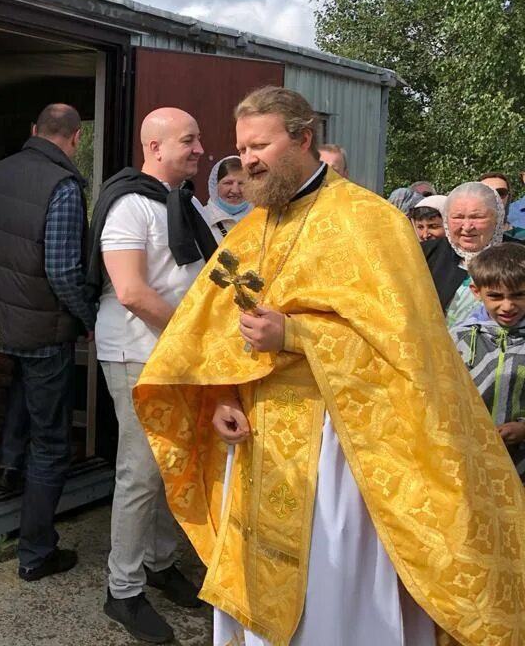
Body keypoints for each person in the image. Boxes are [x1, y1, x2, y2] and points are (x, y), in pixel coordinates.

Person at [133, 86, 525, 646]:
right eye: (242, 148)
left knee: (333, 586)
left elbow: (405, 349)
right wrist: (220, 396)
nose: (248, 160)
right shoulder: (251, 228)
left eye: (260, 146)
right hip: (259, 436)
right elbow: (210, 330)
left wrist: (295, 333)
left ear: (303, 139)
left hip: (341, 442)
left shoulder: (371, 222)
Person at [87, 108, 216, 642]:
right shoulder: (129, 205)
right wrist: (194, 335)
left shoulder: (185, 203)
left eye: (198, 138)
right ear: (155, 147)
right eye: (189, 140)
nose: (200, 149)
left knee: (173, 465)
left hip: (177, 353)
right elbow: (132, 292)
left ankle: (160, 564)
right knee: (140, 471)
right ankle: (122, 590)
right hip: (138, 352)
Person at [0, 103, 95, 581]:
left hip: (0, 319)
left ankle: (8, 468)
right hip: (44, 329)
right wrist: (88, 315)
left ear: (33, 130)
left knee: (22, 392)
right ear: (76, 138)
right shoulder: (63, 186)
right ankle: (36, 552)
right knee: (52, 441)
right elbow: (63, 271)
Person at [450, 243, 525, 480]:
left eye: (518, 295)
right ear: (476, 291)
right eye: (495, 296)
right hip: (469, 456)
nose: (507, 306)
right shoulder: (458, 338)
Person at [421, 181, 524, 325]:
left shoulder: (520, 254)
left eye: (477, 217)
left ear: (497, 218)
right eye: (458, 217)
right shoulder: (425, 254)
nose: (467, 227)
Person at [204, 156, 251, 234]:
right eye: (228, 183)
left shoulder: (262, 218)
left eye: (241, 183)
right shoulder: (201, 218)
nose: (235, 190)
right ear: (215, 185)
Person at [479, 171, 525, 240]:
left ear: (508, 197)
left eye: (501, 192)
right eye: (486, 192)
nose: (494, 196)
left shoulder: (521, 235)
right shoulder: (464, 234)